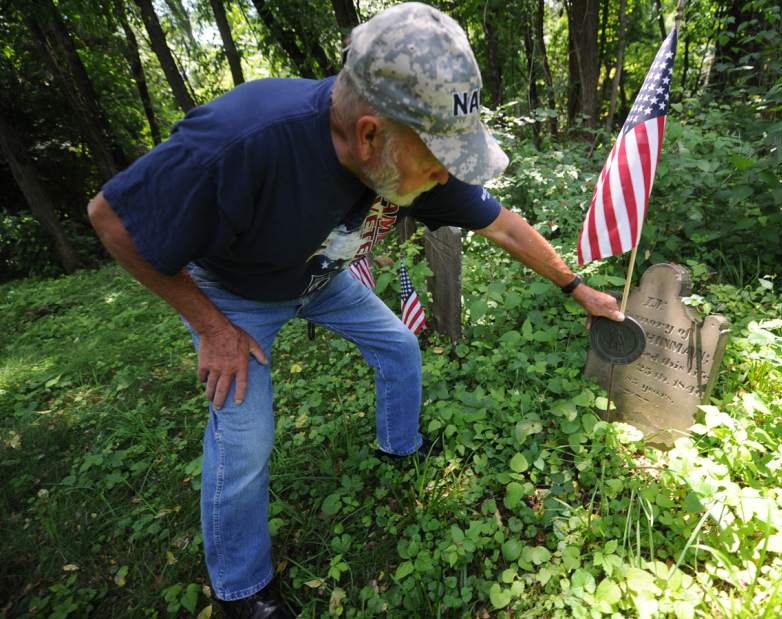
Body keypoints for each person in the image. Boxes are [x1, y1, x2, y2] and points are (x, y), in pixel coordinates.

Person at [87, 3, 623, 617]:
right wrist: (212, 327)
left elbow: (502, 226)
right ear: (369, 134)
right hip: (235, 297)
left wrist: (575, 288)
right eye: (439, 159)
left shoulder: (408, 148)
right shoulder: (244, 137)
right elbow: (112, 219)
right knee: (245, 437)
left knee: (398, 346)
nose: (446, 175)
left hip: (321, 277)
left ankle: (399, 446)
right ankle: (241, 591)